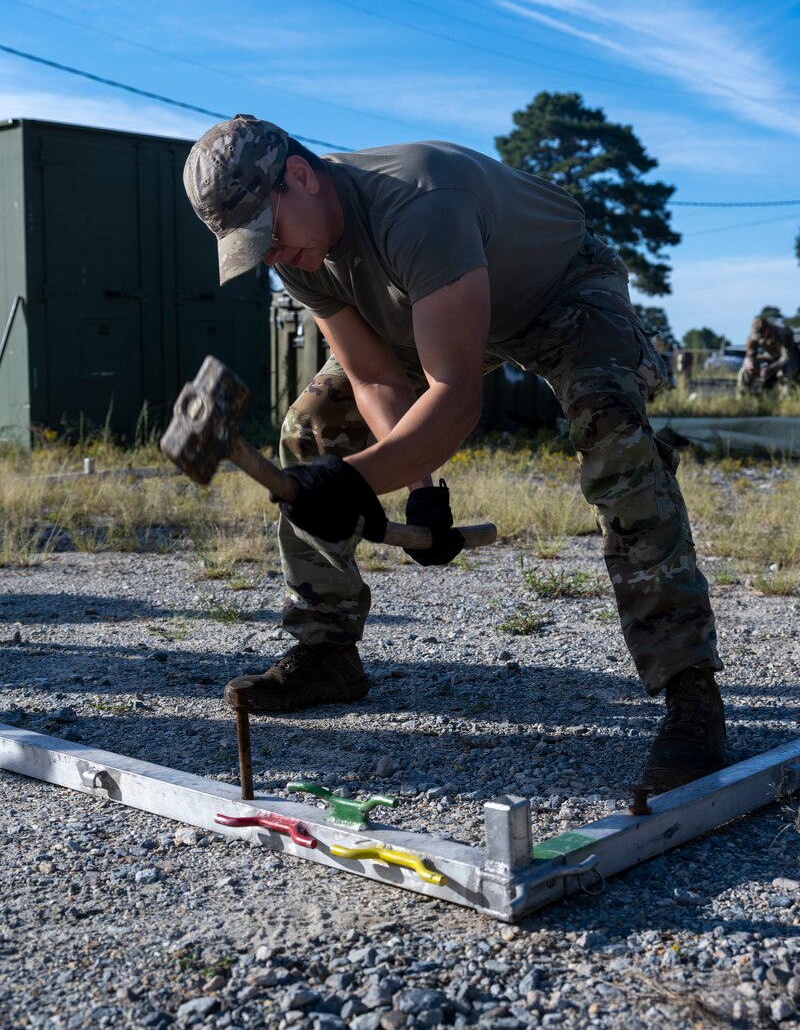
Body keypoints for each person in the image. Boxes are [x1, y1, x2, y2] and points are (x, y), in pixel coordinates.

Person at [183, 113, 726, 793]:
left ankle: (691, 691)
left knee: (610, 433)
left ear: (300, 175)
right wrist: (419, 486)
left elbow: (456, 395)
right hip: (430, 313)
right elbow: (378, 377)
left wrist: (350, 485)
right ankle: (326, 650)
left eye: (269, 232)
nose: (269, 255)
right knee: (314, 424)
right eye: (251, 245)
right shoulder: (303, 253)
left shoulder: (420, 204)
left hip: (559, 293)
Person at [737, 315, 800, 398]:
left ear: (767, 329)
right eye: (758, 335)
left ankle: (784, 402)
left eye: (762, 334)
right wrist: (749, 363)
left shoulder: (783, 332)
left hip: (790, 359)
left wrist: (772, 368)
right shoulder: (754, 335)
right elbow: (750, 354)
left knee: (783, 374)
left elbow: (786, 357)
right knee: (744, 371)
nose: (760, 337)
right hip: (770, 357)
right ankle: (742, 400)